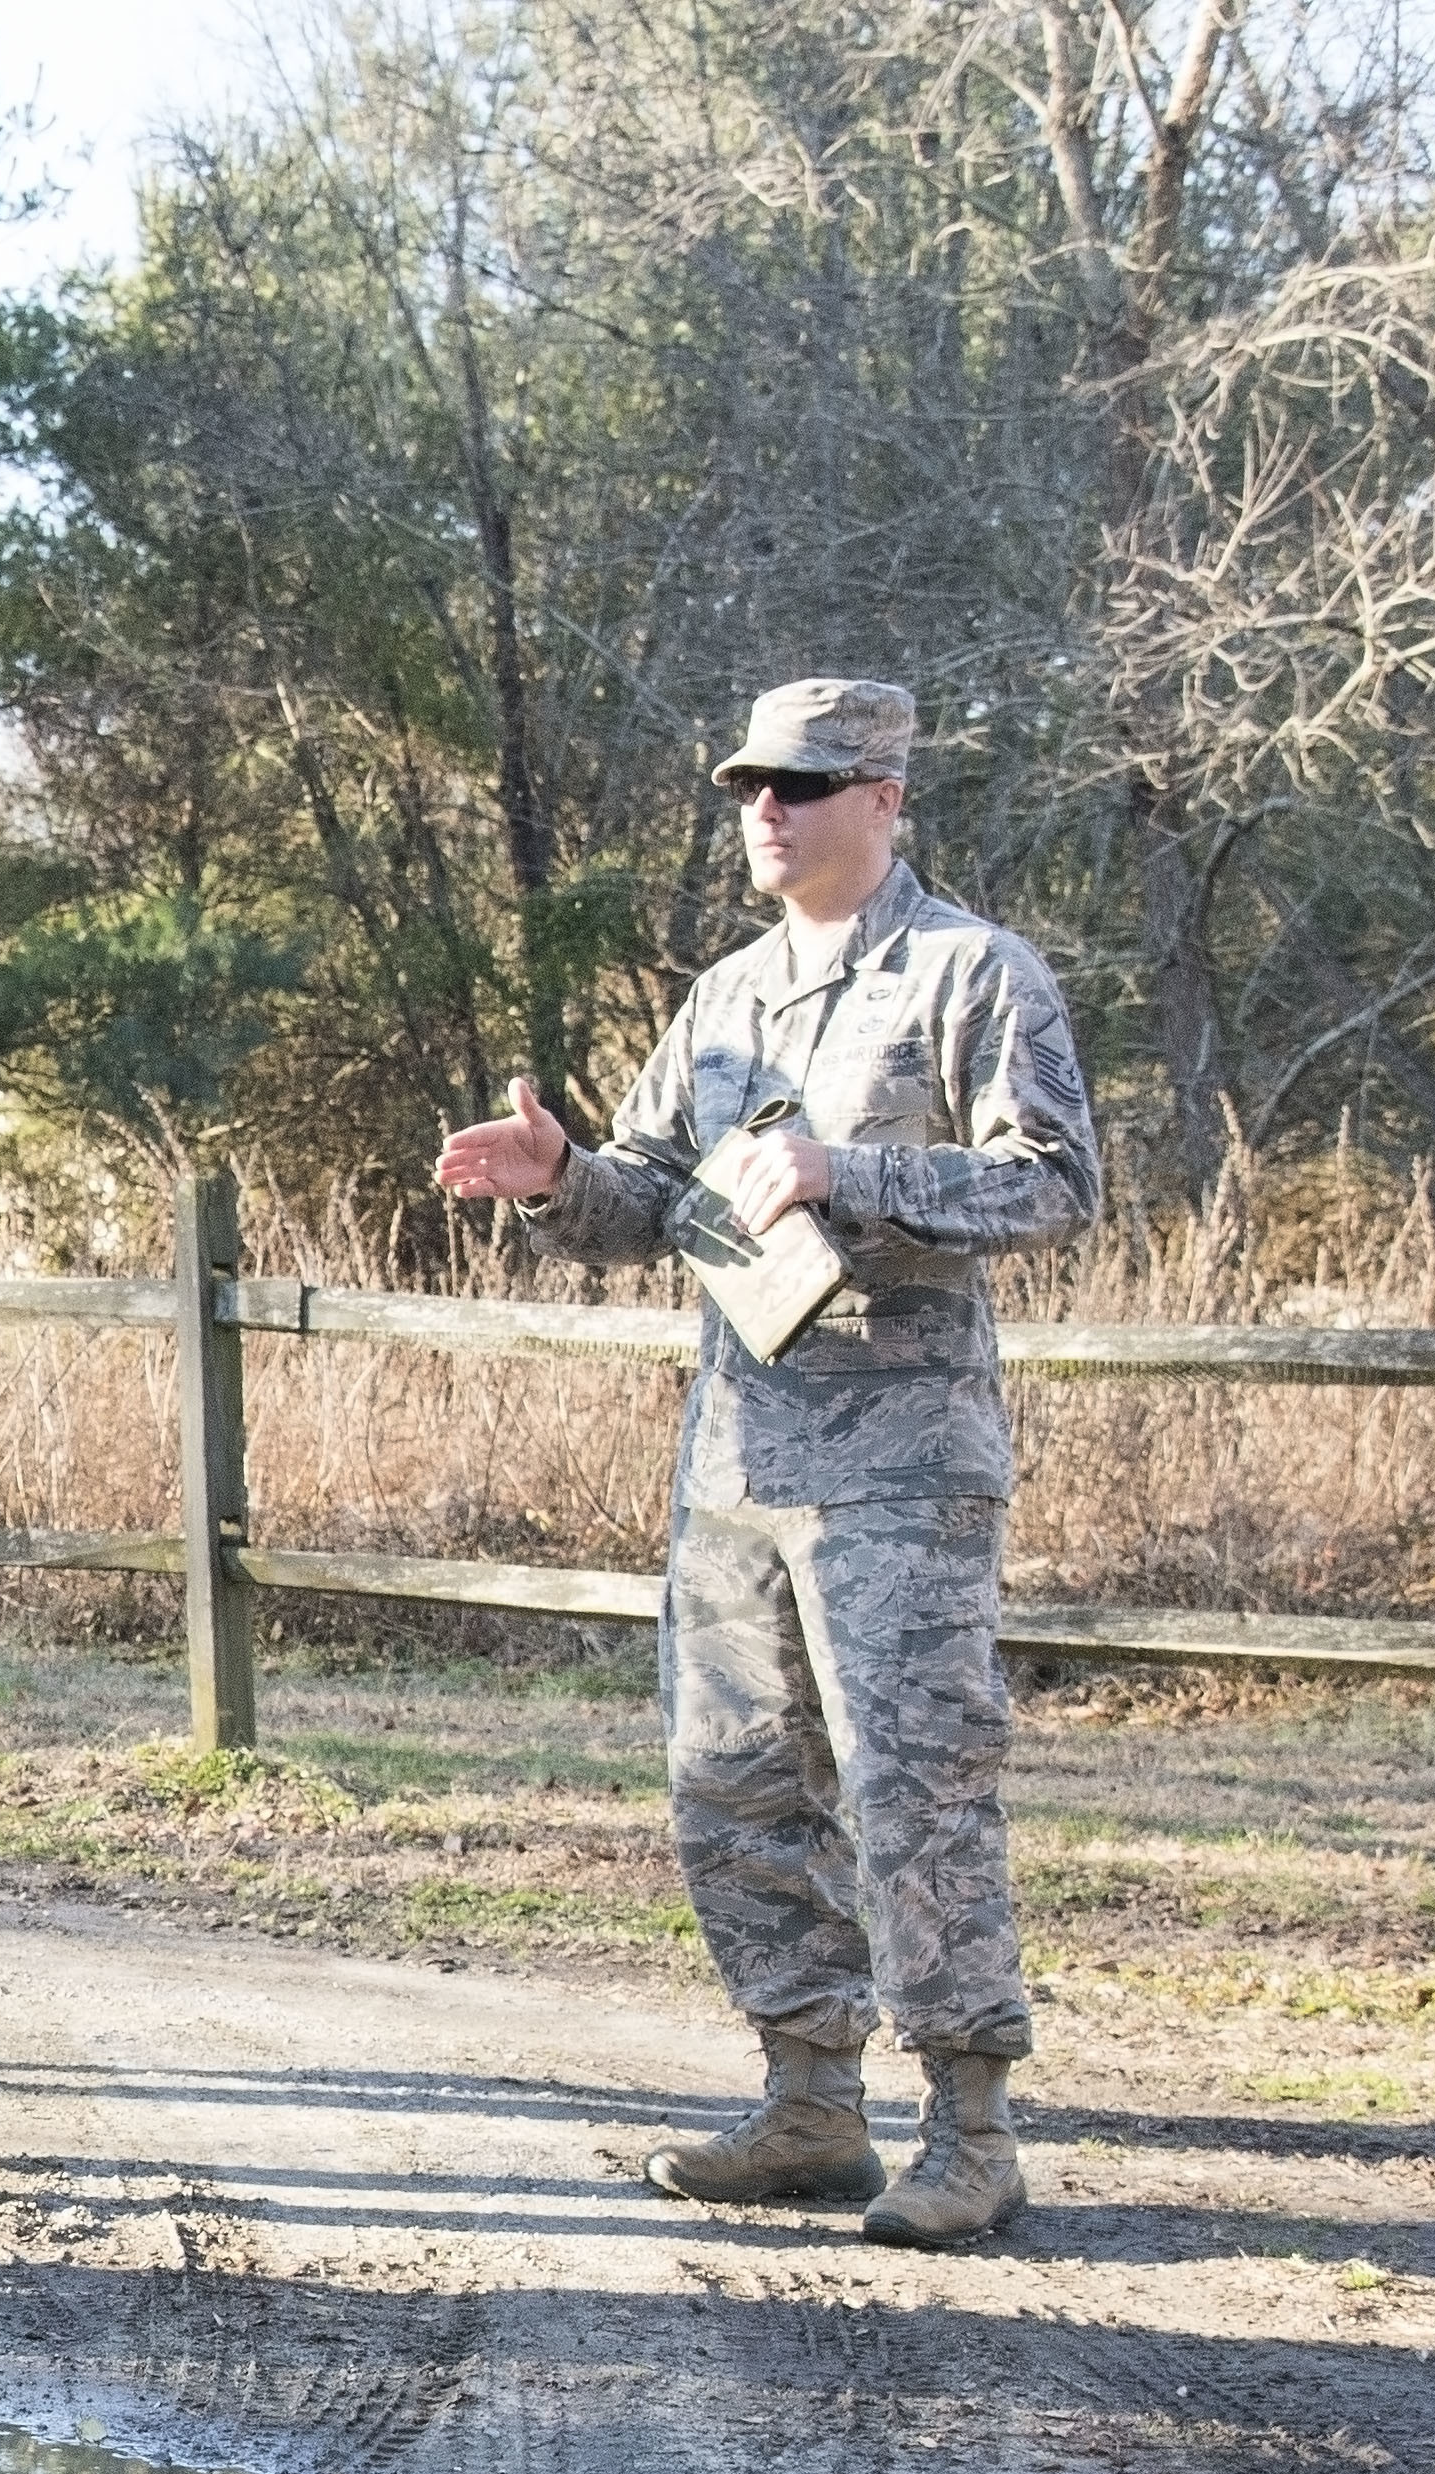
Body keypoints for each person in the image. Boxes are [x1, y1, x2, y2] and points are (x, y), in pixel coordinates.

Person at [436, 678, 1095, 2246]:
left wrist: (844, 1169)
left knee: (910, 1783)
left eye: (798, 784)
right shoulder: (724, 995)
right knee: (728, 1781)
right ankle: (807, 2103)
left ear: (882, 797)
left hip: (900, 1464)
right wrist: (555, 1176)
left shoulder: (969, 971)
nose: (764, 809)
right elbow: (647, 1201)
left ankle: (970, 2128)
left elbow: (1053, 1184)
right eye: (747, 784)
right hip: (736, 1455)